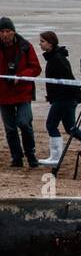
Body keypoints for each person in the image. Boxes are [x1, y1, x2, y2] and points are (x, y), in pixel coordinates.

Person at [0, 17, 41, 168]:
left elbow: (36, 68)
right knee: (10, 128)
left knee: (24, 123)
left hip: (23, 92)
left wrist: (22, 76)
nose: (5, 34)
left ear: (14, 32)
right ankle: (16, 157)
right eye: (2, 31)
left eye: (8, 31)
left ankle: (30, 154)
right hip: (3, 94)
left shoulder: (25, 46)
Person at [36, 32, 81, 166]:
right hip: (65, 98)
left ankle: (56, 158)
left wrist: (76, 95)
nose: (40, 44)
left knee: (51, 125)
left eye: (42, 41)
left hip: (64, 98)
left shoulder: (57, 58)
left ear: (50, 43)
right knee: (71, 128)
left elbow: (69, 78)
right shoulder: (54, 57)